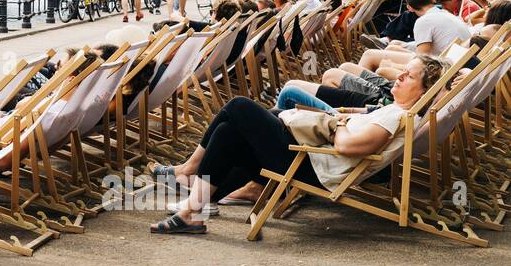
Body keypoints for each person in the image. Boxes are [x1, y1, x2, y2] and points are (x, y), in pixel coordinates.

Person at [149, 56, 445, 233]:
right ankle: (194, 212)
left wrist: (337, 124)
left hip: (309, 165)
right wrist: (342, 115)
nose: (401, 75)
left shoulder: (398, 117)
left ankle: (189, 174)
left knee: (239, 106)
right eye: (404, 70)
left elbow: (349, 148)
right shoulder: (394, 111)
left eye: (410, 76)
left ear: (423, 91)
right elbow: (359, 125)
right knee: (229, 132)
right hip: (309, 158)